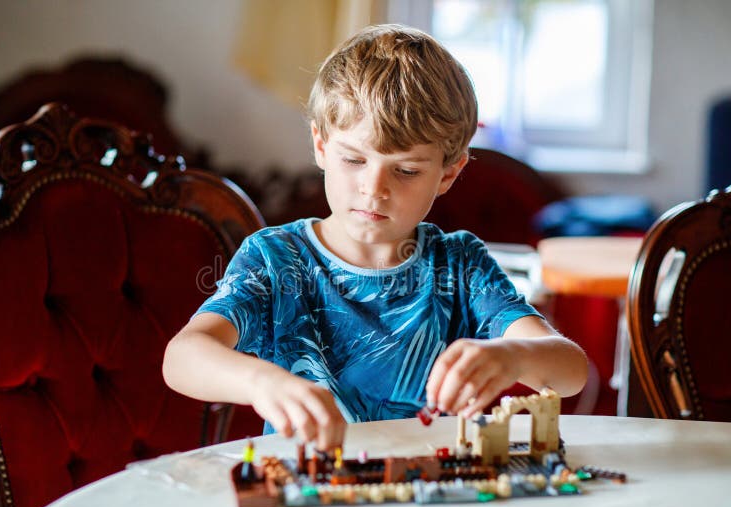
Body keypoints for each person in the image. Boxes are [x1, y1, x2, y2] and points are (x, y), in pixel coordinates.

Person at [163, 24, 587, 452]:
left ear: (448, 173)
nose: (374, 188)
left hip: (423, 497)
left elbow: (572, 373)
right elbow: (181, 357)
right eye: (353, 159)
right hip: (311, 501)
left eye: (405, 170)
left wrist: (514, 355)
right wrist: (259, 382)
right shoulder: (275, 259)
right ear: (321, 146)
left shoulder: (459, 264)